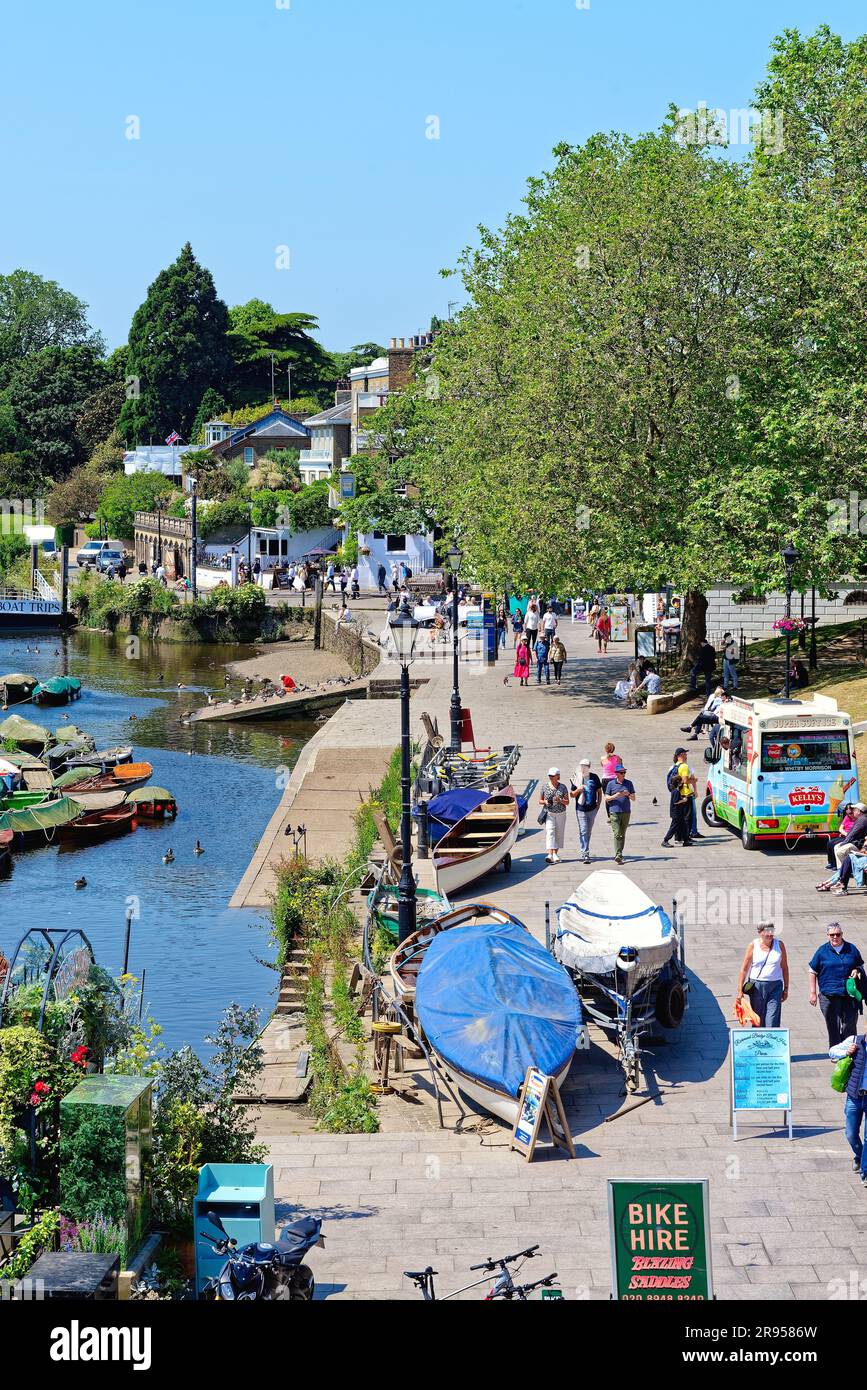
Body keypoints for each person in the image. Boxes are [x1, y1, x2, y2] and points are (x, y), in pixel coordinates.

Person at [809, 924, 865, 1046]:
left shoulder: (851, 949)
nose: (835, 937)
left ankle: (850, 1050)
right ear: (827, 936)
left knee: (849, 1025)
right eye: (832, 935)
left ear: (842, 934)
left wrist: (857, 970)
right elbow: (812, 971)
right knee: (833, 1025)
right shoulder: (821, 951)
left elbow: (860, 965)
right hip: (829, 995)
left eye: (838, 934)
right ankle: (836, 1051)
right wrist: (813, 993)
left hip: (849, 994)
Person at [830, 1027, 867, 1184]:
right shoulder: (854, 1041)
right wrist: (846, 1052)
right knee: (850, 1134)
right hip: (854, 1096)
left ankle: (865, 1172)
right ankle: (860, 1155)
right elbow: (832, 1052)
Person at [737, 922, 789, 1027]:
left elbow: (785, 967)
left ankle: (771, 1042)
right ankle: (757, 1042)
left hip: (775, 986)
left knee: (772, 1019)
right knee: (758, 1020)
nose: (770, 934)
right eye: (766, 931)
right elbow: (744, 969)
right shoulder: (753, 945)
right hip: (756, 986)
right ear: (760, 932)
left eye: (772, 931)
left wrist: (786, 988)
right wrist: (739, 991)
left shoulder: (779, 945)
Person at [571, 757, 602, 863]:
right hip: (580, 809)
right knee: (583, 831)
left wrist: (598, 803)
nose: (583, 768)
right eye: (581, 766)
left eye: (585, 766)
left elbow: (599, 791)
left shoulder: (594, 777)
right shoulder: (577, 778)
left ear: (589, 767)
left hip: (592, 808)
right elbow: (572, 794)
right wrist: (579, 789)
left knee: (588, 832)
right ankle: (585, 853)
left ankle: (585, 849)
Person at [662, 748, 694, 847]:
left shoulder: (674, 767)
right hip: (678, 807)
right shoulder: (683, 766)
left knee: (683, 823)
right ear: (681, 755)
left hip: (678, 808)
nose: (686, 755)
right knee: (675, 824)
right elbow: (676, 802)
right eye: (685, 753)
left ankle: (686, 840)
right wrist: (684, 799)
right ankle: (665, 840)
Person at [604, 763, 635, 864]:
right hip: (614, 812)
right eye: (622, 772)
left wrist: (628, 794)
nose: (624, 774)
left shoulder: (629, 783)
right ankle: (618, 854)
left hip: (626, 812)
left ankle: (619, 853)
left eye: (624, 772)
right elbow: (606, 798)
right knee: (617, 833)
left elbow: (634, 798)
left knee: (622, 834)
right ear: (616, 774)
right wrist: (616, 796)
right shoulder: (610, 784)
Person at [539, 767, 570, 864]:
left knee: (559, 833)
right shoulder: (544, 787)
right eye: (550, 776)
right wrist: (546, 801)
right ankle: (550, 854)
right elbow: (540, 801)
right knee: (550, 832)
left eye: (553, 776)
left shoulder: (563, 787)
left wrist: (560, 800)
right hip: (549, 813)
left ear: (557, 776)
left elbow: (567, 802)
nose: (551, 778)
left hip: (561, 813)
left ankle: (555, 854)